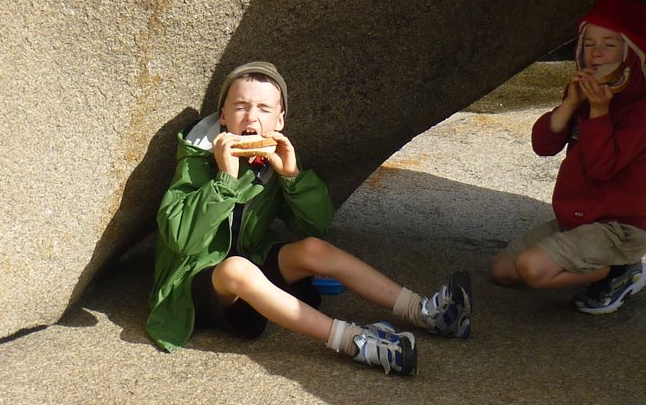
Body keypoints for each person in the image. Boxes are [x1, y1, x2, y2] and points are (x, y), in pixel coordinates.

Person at [148, 61, 472, 375]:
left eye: (263, 109)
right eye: (241, 106)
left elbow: (318, 225)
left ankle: (425, 312)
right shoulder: (197, 160)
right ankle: (354, 342)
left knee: (313, 248)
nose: (251, 116)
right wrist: (224, 182)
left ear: (279, 120)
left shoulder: (273, 159)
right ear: (223, 115)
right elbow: (181, 240)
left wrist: (293, 178)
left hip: (252, 269)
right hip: (196, 287)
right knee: (236, 269)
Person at [491, 0, 646, 314]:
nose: (597, 53)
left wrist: (600, 111)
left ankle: (619, 271)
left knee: (531, 270)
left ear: (631, 53)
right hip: (575, 220)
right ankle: (593, 263)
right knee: (503, 271)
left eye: (609, 44)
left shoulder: (642, 108)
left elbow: (602, 167)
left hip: (618, 227)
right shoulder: (584, 95)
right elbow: (543, 146)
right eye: (588, 44)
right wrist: (571, 104)